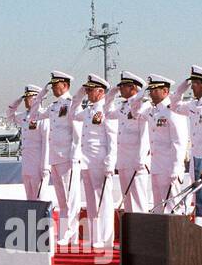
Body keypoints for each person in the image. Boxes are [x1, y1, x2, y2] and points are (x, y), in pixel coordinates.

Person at [37, 71, 82, 245]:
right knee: (62, 200)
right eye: (52, 85)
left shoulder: (72, 104)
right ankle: (67, 234)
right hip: (55, 157)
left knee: (71, 198)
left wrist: (74, 155)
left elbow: (77, 134)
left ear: (65, 85)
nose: (54, 88)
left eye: (56, 85)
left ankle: (71, 232)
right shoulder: (54, 106)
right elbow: (35, 114)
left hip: (68, 157)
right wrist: (43, 93)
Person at [75, 74, 116, 250]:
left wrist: (110, 161)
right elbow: (71, 114)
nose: (88, 93)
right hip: (87, 160)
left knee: (103, 201)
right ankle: (95, 237)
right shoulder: (88, 110)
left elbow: (112, 138)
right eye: (87, 90)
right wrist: (78, 94)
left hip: (100, 160)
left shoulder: (107, 110)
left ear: (101, 92)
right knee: (92, 201)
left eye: (90, 90)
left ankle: (105, 238)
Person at [143, 74, 188, 212]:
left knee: (172, 207)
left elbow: (179, 141)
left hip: (169, 168)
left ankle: (176, 234)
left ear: (165, 91)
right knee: (158, 208)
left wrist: (176, 167)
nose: (151, 93)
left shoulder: (172, 110)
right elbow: (133, 109)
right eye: (150, 89)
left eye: (155, 89)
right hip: (157, 166)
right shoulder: (152, 111)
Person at [110, 72, 151, 214]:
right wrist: (112, 92)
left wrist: (140, 159)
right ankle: (133, 233)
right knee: (127, 201)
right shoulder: (123, 106)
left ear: (133, 87)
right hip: (123, 161)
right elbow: (106, 112)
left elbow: (145, 134)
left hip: (136, 161)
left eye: (122, 86)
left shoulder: (144, 106)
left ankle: (142, 234)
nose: (120, 89)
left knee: (138, 200)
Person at [8, 84, 46, 200]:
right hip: (26, 162)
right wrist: (18, 100)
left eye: (27, 98)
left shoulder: (43, 116)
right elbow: (9, 115)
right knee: (29, 197)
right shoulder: (24, 116)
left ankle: (41, 218)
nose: (25, 101)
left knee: (39, 197)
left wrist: (45, 167)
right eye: (25, 98)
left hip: (37, 162)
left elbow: (46, 143)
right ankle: (31, 218)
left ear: (36, 98)